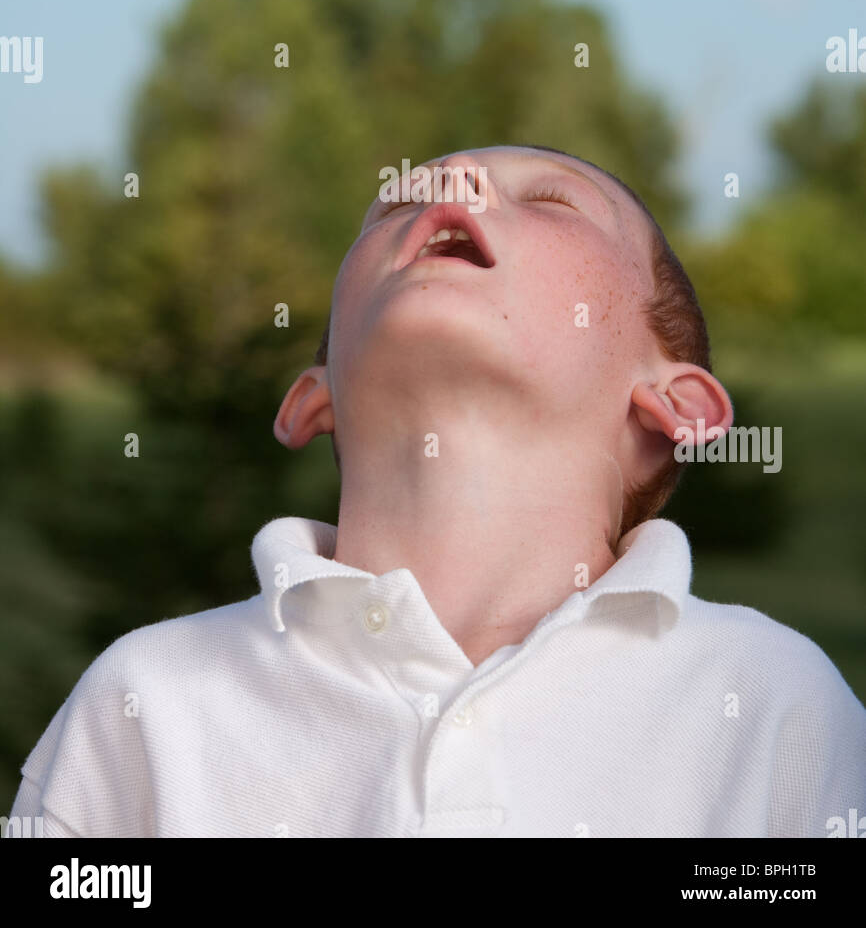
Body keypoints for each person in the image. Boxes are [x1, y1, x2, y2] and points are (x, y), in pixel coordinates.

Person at [7, 145, 866, 838]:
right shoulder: (148, 701)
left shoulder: (777, 703)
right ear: (316, 399)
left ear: (675, 405)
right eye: (397, 205)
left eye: (553, 201)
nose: (445, 186)